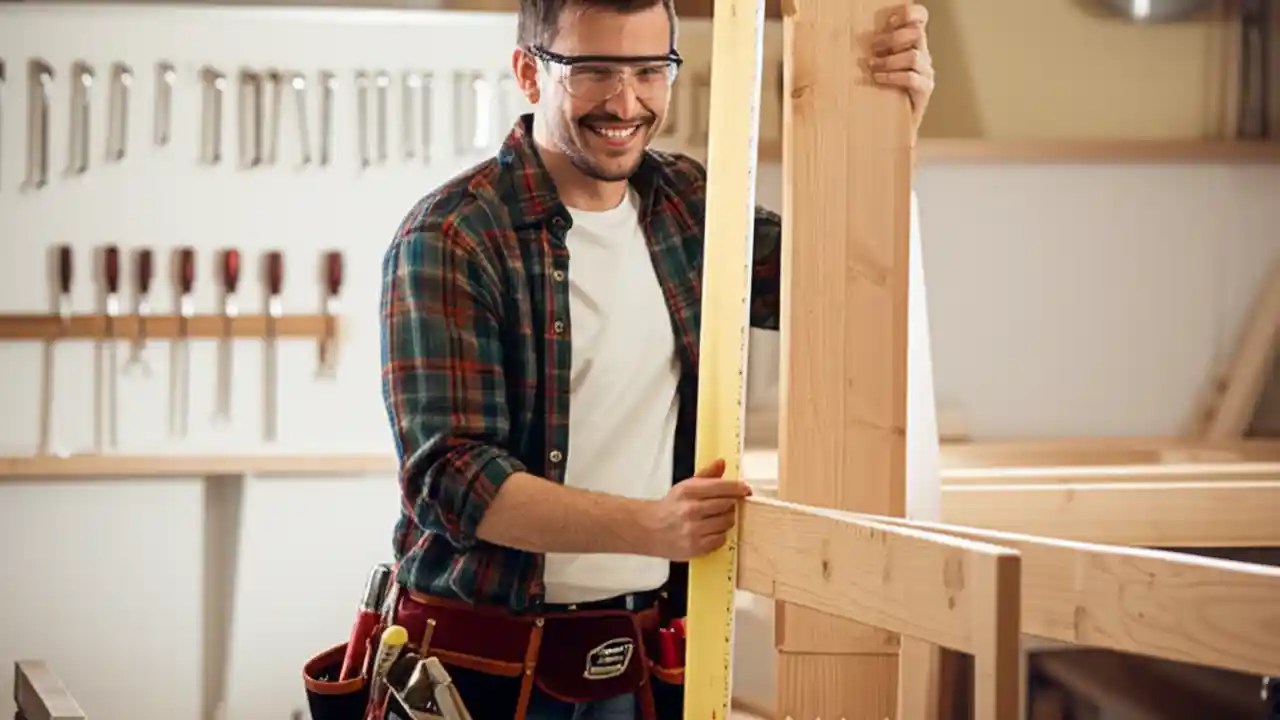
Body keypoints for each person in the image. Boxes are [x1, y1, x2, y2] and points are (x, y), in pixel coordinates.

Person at [378, 1, 934, 717]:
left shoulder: (690, 206)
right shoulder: (451, 237)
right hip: (483, 663)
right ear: (527, 72)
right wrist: (651, 526)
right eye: (594, 71)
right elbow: (450, 478)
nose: (626, 101)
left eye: (649, 70)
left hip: (644, 650)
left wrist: (894, 125)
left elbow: (842, 285)